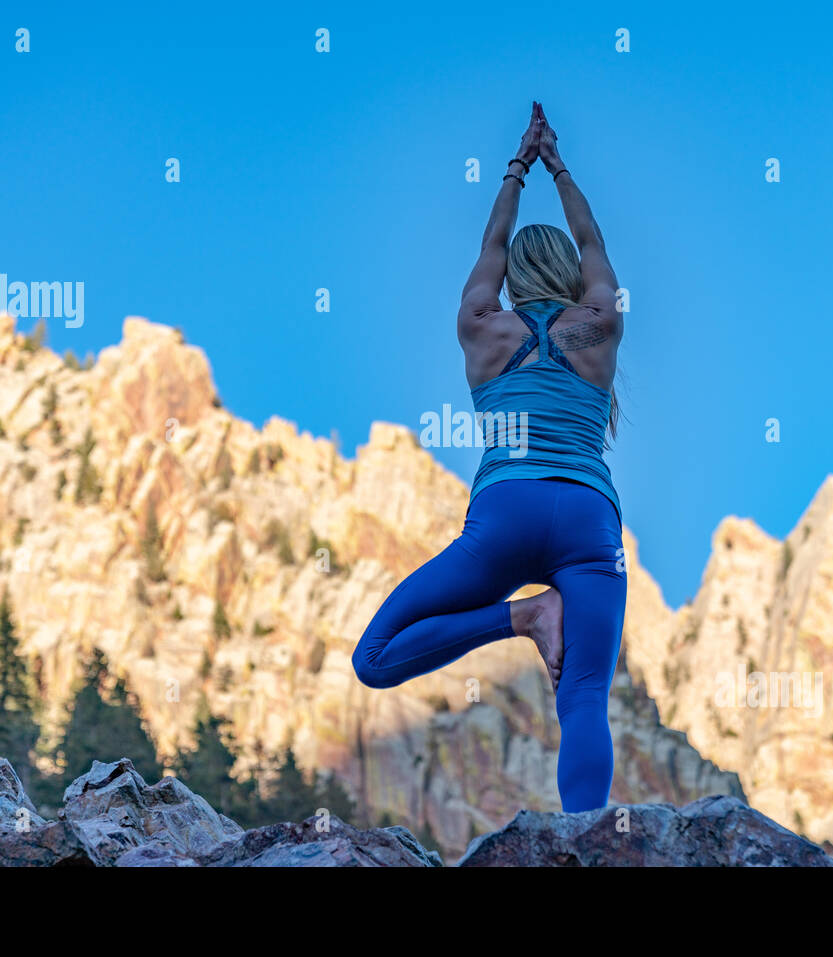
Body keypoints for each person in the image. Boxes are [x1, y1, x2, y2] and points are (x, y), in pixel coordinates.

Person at [352, 103, 626, 813]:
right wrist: (560, 166)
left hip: (506, 512)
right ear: (567, 272)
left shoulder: (481, 324)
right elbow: (593, 240)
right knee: (586, 697)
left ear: (510, 279)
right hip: (590, 522)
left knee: (374, 657)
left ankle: (525, 618)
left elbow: (490, 243)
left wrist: (515, 168)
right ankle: (588, 845)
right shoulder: (598, 324)